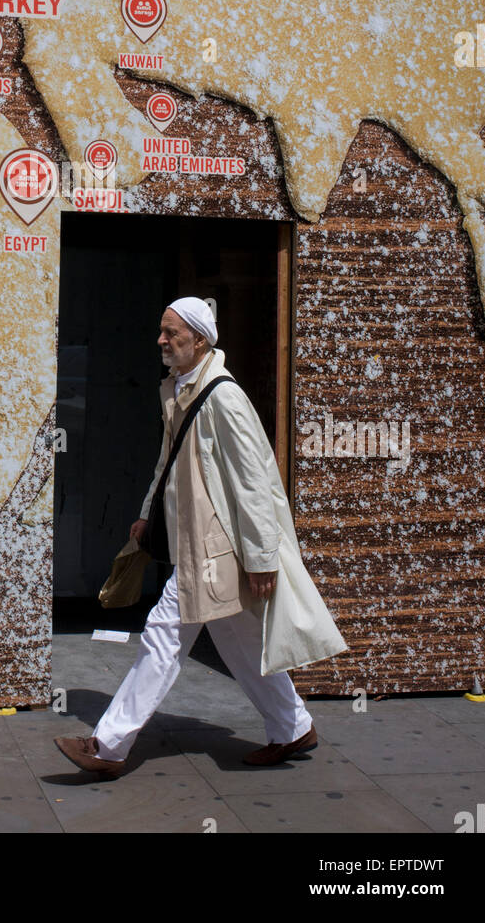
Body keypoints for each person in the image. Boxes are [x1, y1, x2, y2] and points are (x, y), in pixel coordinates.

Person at [55, 296, 348, 777]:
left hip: (214, 548)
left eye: (172, 332)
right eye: (162, 330)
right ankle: (293, 727)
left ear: (200, 339)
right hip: (192, 539)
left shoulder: (223, 397)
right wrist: (149, 513)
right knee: (237, 640)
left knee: (162, 637)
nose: (162, 340)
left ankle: (106, 747)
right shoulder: (175, 388)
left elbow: (255, 483)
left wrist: (260, 558)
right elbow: (167, 460)